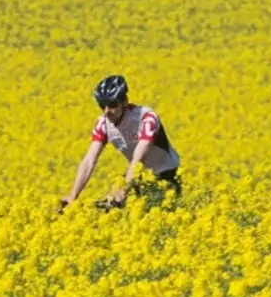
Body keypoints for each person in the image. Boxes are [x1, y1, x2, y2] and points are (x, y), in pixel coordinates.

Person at [58, 75, 182, 213]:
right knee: (108, 207)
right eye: (102, 105)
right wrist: (73, 196)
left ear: (124, 101)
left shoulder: (146, 118)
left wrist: (124, 189)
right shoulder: (103, 123)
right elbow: (89, 160)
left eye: (112, 105)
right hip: (139, 175)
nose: (106, 111)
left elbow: (138, 159)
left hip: (167, 173)